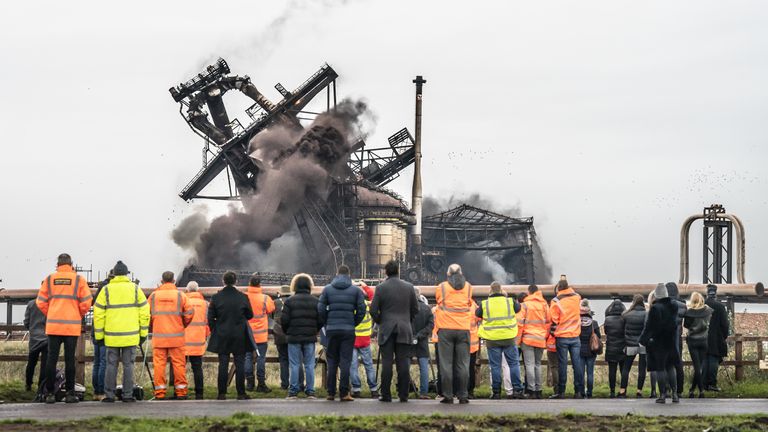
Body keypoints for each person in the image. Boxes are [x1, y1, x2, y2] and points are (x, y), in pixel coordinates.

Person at [36, 253, 92, 404]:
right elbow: (87, 301)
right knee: (70, 360)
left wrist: (52, 312)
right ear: (71, 264)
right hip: (71, 326)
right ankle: (70, 393)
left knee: (51, 360)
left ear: (57, 265)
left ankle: (49, 394)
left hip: (53, 326)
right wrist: (77, 313)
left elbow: (40, 302)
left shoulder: (49, 279)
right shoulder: (79, 280)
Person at [93, 260, 150, 403]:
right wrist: (142, 334)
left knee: (111, 365)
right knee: (128, 366)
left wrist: (99, 336)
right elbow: (145, 313)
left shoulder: (106, 290)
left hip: (111, 337)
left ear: (114, 274)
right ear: (126, 274)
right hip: (131, 336)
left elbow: (98, 314)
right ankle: (128, 395)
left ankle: (109, 395)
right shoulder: (136, 289)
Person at [370, 260, 420, 402]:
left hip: (386, 329)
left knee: (387, 363)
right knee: (403, 362)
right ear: (398, 271)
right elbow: (416, 309)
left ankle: (386, 394)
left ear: (386, 271)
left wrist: (381, 321)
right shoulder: (409, 287)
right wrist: (406, 320)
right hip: (404, 329)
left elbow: (373, 310)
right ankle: (403, 395)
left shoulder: (380, 288)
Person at [318, 265, 367, 402]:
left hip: (332, 330)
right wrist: (353, 322)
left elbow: (320, 309)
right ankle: (344, 393)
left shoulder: (327, 289)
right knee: (345, 361)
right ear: (349, 274)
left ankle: (330, 393)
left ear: (337, 274)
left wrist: (328, 322)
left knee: (332, 361)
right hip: (348, 330)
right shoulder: (356, 291)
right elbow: (362, 310)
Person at [207, 271, 256, 400]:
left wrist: (216, 330)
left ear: (223, 281)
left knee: (222, 364)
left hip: (222, 335)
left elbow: (210, 318)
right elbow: (250, 315)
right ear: (236, 282)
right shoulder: (243, 297)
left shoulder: (216, 297)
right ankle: (241, 393)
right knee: (240, 364)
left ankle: (221, 393)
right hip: (239, 335)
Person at [148, 271, 193, 400]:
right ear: (174, 281)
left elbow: (147, 315)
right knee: (179, 364)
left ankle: (160, 393)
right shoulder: (181, 295)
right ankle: (181, 392)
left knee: (159, 365)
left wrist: (153, 326)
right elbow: (189, 313)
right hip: (176, 336)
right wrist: (181, 324)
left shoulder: (153, 296)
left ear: (161, 281)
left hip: (159, 336)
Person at [434, 264, 474, 404]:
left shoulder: (442, 287)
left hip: (445, 328)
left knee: (446, 364)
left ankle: (448, 395)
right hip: (463, 328)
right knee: (463, 364)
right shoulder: (469, 287)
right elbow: (469, 303)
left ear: (448, 274)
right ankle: (463, 395)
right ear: (461, 273)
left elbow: (438, 300)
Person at [476, 281, 523, 399]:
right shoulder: (510, 301)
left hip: (492, 339)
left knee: (495, 366)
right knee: (513, 364)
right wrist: (506, 296)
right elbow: (518, 309)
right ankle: (517, 390)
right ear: (502, 290)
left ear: (490, 291)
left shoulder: (485, 304)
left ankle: (496, 392)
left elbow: (478, 314)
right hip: (509, 337)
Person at [281, 273, 322, 399]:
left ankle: (293, 391)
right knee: (309, 364)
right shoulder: (316, 301)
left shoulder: (289, 301)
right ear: (310, 286)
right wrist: (315, 330)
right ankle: (310, 391)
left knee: (294, 364)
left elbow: (284, 321)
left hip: (293, 337)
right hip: (309, 337)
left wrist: (288, 331)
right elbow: (321, 320)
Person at [640, 283, 680, 404]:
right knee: (671, 367)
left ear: (656, 295)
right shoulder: (674, 306)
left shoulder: (655, 308)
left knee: (660, 368)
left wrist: (643, 340)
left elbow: (649, 327)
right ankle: (675, 394)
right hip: (671, 340)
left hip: (658, 342)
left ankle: (662, 394)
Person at [549, 278, 583, 399]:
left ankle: (561, 391)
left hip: (562, 336)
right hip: (575, 336)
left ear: (558, 289)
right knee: (577, 364)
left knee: (562, 365)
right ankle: (579, 391)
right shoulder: (577, 297)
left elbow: (554, 320)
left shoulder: (556, 301)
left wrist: (552, 333)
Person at [245, 273, 275, 393]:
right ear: (260, 285)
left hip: (247, 334)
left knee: (247, 357)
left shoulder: (244, 297)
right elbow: (271, 308)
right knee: (261, 358)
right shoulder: (265, 298)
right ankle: (261, 384)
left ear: (249, 284)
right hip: (261, 335)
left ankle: (249, 383)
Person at [519, 284, 549, 399]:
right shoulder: (544, 304)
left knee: (529, 365)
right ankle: (539, 390)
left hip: (528, 339)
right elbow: (549, 320)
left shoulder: (525, 305)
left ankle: (531, 390)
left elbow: (520, 323)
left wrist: (518, 340)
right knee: (537, 365)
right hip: (540, 338)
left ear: (529, 292)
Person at [350, 281, 378, 398]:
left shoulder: (351, 306)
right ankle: (373, 389)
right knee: (369, 365)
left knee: (353, 365)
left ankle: (356, 389)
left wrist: (351, 286)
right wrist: (364, 286)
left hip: (353, 340)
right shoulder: (368, 305)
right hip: (365, 340)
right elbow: (374, 297)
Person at [273, 284, 304, 391]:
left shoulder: (276, 302)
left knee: (283, 360)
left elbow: (271, 316)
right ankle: (300, 384)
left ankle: (284, 384)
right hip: (293, 334)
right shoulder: (295, 301)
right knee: (297, 360)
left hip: (280, 335)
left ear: (280, 293)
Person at [684, 291, 712, 398]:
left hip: (693, 341)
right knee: (699, 367)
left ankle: (701, 390)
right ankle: (692, 389)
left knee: (697, 367)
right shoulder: (708, 311)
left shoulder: (689, 312)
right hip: (704, 340)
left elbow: (686, 325)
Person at [619, 294, 648, 398]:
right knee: (642, 369)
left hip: (630, 344)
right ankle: (639, 391)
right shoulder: (646, 314)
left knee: (626, 368)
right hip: (643, 345)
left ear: (633, 302)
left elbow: (622, 329)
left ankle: (622, 391)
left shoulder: (626, 314)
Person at [183, 281, 209, 400]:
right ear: (198, 290)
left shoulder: (182, 302)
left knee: (180, 368)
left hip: (182, 341)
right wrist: (206, 334)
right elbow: (208, 322)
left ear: (187, 290)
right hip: (198, 341)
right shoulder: (205, 304)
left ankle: (180, 392)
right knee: (197, 368)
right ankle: (200, 393)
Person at [704, 284, 729, 392]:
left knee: (704, 361)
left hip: (701, 336)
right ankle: (712, 384)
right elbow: (725, 325)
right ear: (716, 293)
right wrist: (723, 336)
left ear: (707, 293)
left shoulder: (702, 304)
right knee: (713, 359)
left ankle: (703, 384)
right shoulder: (720, 307)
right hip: (716, 337)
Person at [411, 288, 434, 400]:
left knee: (404, 365)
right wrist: (419, 335)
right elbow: (430, 326)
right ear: (419, 295)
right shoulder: (426, 309)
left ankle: (404, 389)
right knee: (424, 367)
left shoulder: (407, 309)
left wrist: (412, 335)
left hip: (408, 340)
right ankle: (423, 392)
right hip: (422, 341)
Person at [665, 282, 687, 400]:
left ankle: (667, 389)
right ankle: (679, 390)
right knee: (678, 363)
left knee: (665, 364)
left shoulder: (663, 304)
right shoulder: (683, 305)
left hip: (664, 337)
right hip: (677, 337)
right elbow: (687, 320)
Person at [603, 298, 626, 398]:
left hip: (611, 347)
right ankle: (623, 390)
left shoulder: (607, 320)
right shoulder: (624, 319)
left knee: (612, 371)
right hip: (622, 348)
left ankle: (612, 391)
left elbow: (606, 332)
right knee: (623, 370)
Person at [578, 299, 600, 398]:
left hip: (580, 350)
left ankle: (582, 392)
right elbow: (598, 337)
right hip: (591, 351)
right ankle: (589, 392)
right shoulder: (594, 323)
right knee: (590, 372)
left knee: (581, 372)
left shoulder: (577, 323)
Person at [23, 299, 47, 393]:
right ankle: (41, 387)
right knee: (44, 365)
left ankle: (28, 384)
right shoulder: (49, 303)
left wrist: (32, 329)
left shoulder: (31, 304)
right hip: (46, 338)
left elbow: (26, 322)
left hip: (34, 339)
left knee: (31, 363)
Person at [468, 300, 481, 398]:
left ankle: (459, 390)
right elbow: (479, 319)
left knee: (458, 367)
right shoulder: (474, 306)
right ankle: (470, 391)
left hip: (459, 342)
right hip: (472, 343)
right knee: (471, 368)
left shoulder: (456, 304)